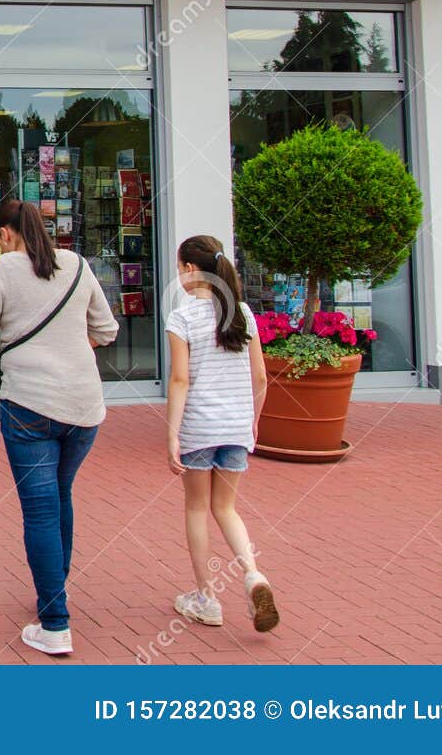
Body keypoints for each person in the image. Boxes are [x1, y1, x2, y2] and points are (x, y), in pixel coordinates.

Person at [0, 197, 117, 657]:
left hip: (29, 407)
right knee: (60, 497)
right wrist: (69, 347)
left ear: (6, 233)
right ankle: (55, 592)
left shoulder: (1, 271)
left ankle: (55, 622)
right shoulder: (78, 265)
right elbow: (106, 331)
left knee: (41, 511)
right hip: (84, 407)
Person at [164, 234, 280, 633]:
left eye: (180, 268)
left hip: (200, 427)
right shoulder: (243, 313)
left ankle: (205, 598)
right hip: (235, 428)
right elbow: (261, 376)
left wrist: (173, 434)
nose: (178, 276)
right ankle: (253, 574)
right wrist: (253, 420)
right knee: (226, 508)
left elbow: (180, 379)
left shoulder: (181, 318)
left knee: (197, 509)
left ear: (191, 270)